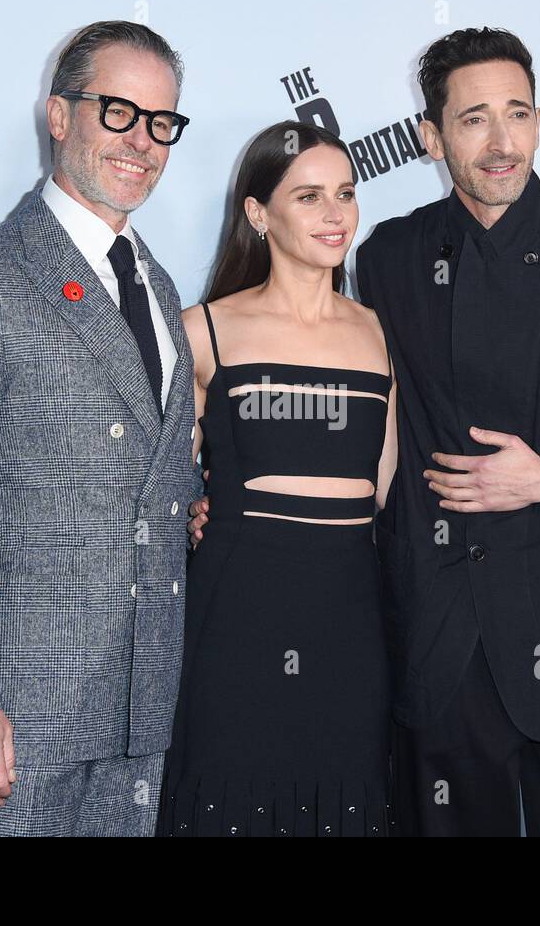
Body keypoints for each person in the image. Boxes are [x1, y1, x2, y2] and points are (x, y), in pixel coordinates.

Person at [190, 27, 540, 836]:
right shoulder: (391, 254)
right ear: (431, 137)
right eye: (474, 118)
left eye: (518, 113)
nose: (501, 140)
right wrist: (214, 501)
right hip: (437, 647)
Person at [0, 21, 200, 836]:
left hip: (142, 701)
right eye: (119, 112)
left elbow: (144, 464)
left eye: (161, 121)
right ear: (58, 116)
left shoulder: (160, 288)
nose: (143, 141)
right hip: (17, 716)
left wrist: (184, 500)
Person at [158, 121, 398, 836]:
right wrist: (187, 510)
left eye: (347, 194)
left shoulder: (382, 332)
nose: (335, 214)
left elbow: (385, 491)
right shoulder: (202, 330)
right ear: (258, 214)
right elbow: (152, 487)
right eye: (309, 196)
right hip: (236, 616)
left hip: (350, 618)